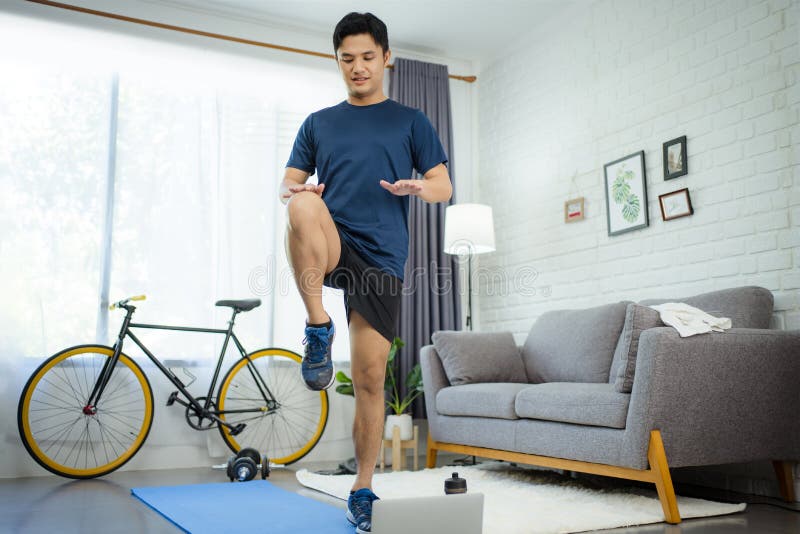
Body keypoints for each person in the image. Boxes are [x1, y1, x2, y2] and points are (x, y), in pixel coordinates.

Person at [279, 11, 452, 534]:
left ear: (386, 58)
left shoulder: (411, 120)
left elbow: (443, 184)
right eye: (347, 59)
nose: (357, 68)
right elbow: (288, 182)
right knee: (302, 207)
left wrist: (418, 187)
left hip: (381, 257)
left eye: (367, 58)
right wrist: (299, 190)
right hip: (333, 239)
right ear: (337, 62)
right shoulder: (318, 122)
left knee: (371, 376)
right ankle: (317, 326)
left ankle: (362, 486)